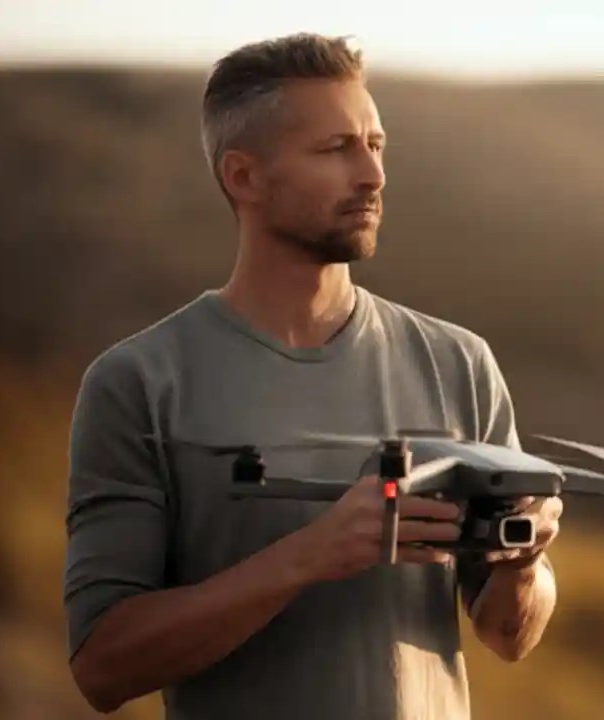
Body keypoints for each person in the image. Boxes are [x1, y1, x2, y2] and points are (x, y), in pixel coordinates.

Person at [62, 32, 561, 719]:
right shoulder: (140, 382)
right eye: (336, 149)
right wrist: (309, 555)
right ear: (244, 177)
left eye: (376, 145)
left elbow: (508, 635)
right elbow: (102, 666)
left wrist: (525, 565)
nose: (373, 175)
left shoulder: (458, 364)